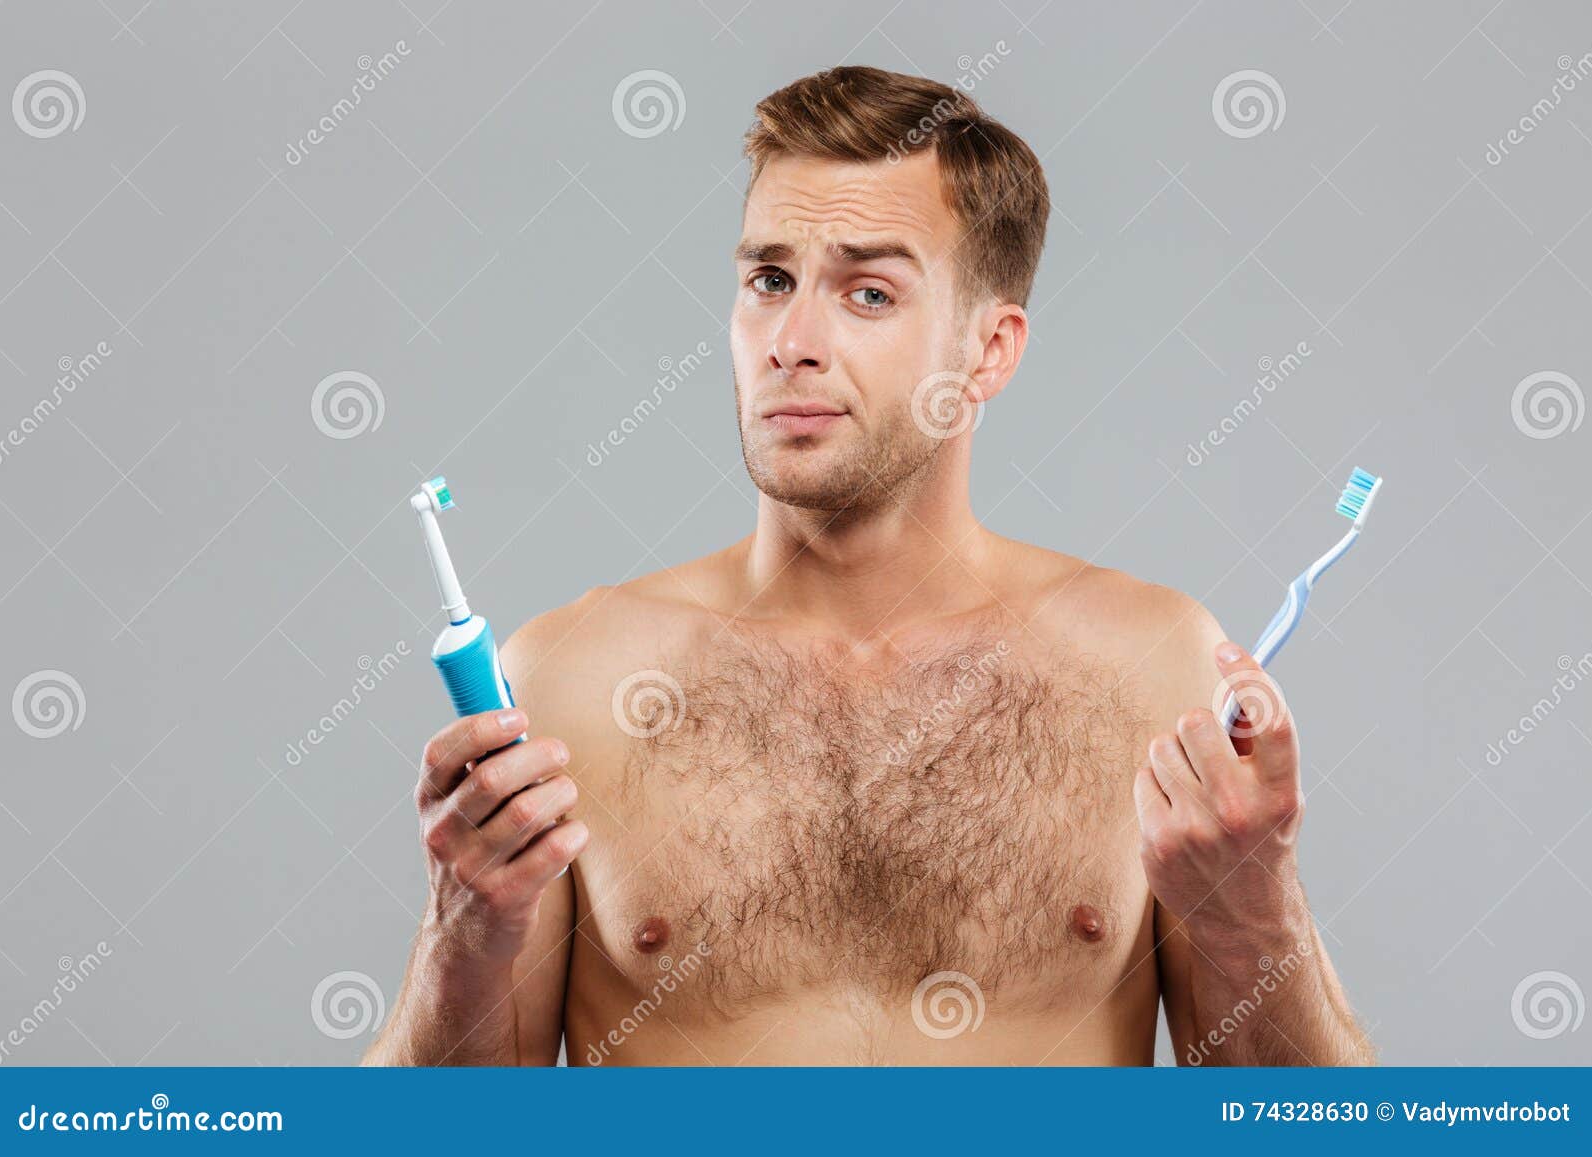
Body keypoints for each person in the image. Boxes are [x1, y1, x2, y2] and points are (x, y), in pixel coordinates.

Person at [366, 66, 1373, 1066]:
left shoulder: (1153, 667)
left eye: (868, 290)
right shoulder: (573, 676)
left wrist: (1254, 908)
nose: (791, 341)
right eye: (769, 280)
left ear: (988, 350)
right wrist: (464, 925)